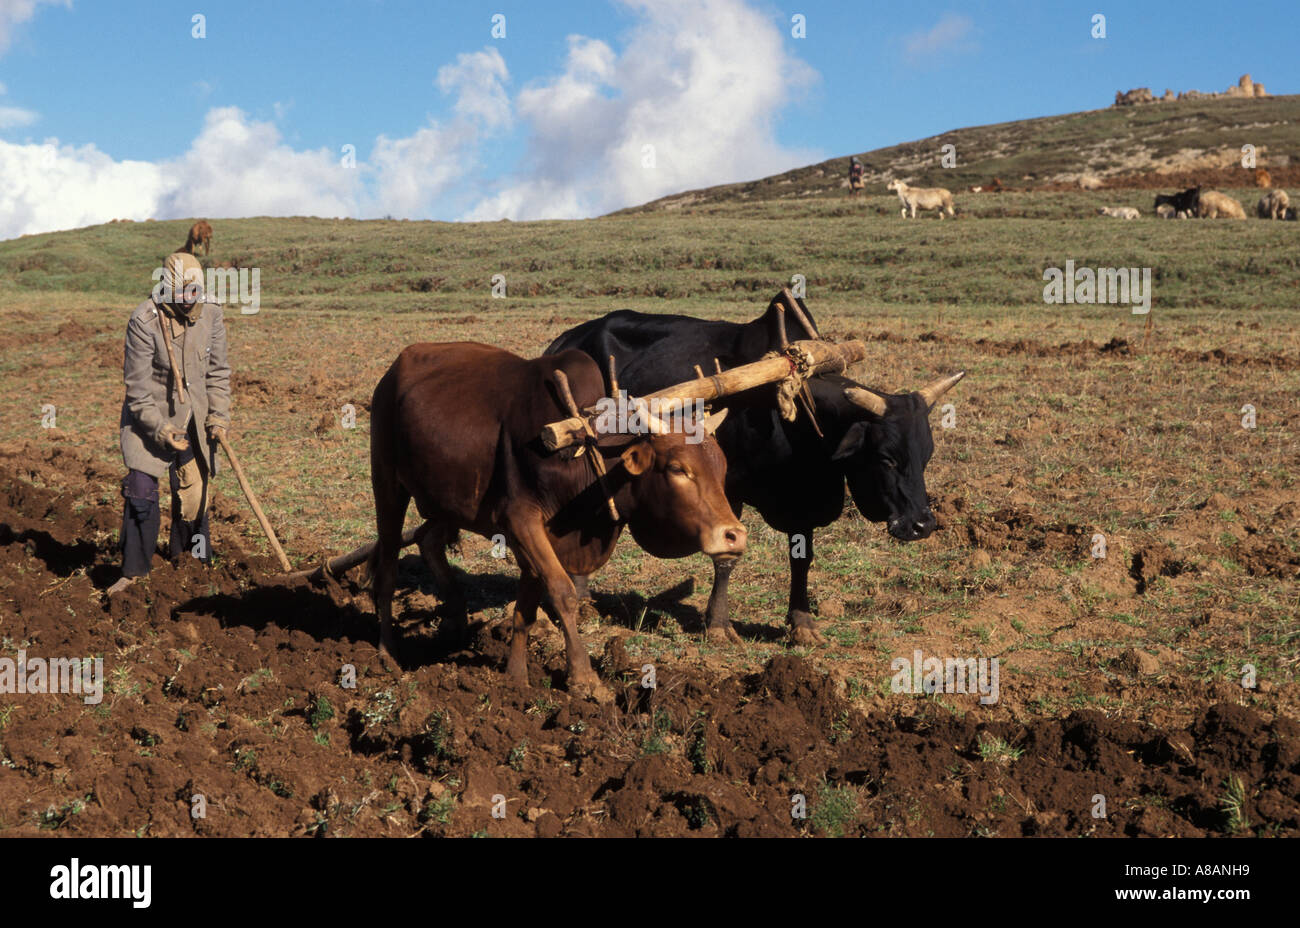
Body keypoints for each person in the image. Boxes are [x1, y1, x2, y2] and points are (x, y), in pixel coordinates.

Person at [108, 252, 230, 594]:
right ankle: (133, 575)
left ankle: (189, 568)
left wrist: (218, 416)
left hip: (194, 419)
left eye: (196, 293)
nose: (192, 301)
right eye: (184, 294)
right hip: (150, 418)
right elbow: (138, 390)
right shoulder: (144, 321)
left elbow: (218, 373)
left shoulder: (212, 315)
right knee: (141, 492)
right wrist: (161, 429)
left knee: (194, 497)